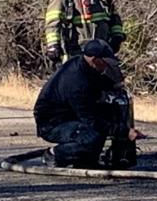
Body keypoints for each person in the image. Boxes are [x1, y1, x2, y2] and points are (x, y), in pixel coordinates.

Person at [33, 39, 143, 168]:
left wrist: (114, 84)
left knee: (105, 119)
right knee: (92, 135)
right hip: (52, 124)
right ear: (95, 60)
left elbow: (97, 83)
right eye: (106, 63)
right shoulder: (76, 82)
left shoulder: (83, 66)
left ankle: (87, 160)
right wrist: (124, 132)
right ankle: (55, 154)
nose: (107, 67)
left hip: (70, 116)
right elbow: (91, 119)